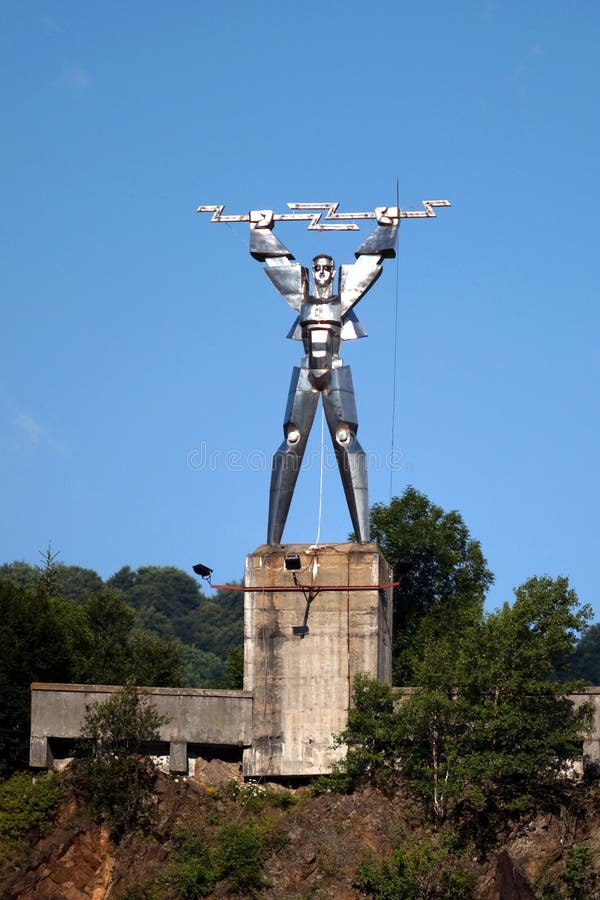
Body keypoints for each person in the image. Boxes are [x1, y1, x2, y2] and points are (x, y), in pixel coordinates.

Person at [249, 207, 399, 544]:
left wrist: (385, 226)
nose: (320, 273)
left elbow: (368, 264)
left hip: (334, 371)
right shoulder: (300, 297)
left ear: (333, 272)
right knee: (291, 442)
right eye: (316, 268)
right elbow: (277, 264)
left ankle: (363, 539)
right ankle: (272, 541)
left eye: (326, 268)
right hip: (305, 371)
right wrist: (261, 230)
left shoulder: (342, 298)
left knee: (346, 439)